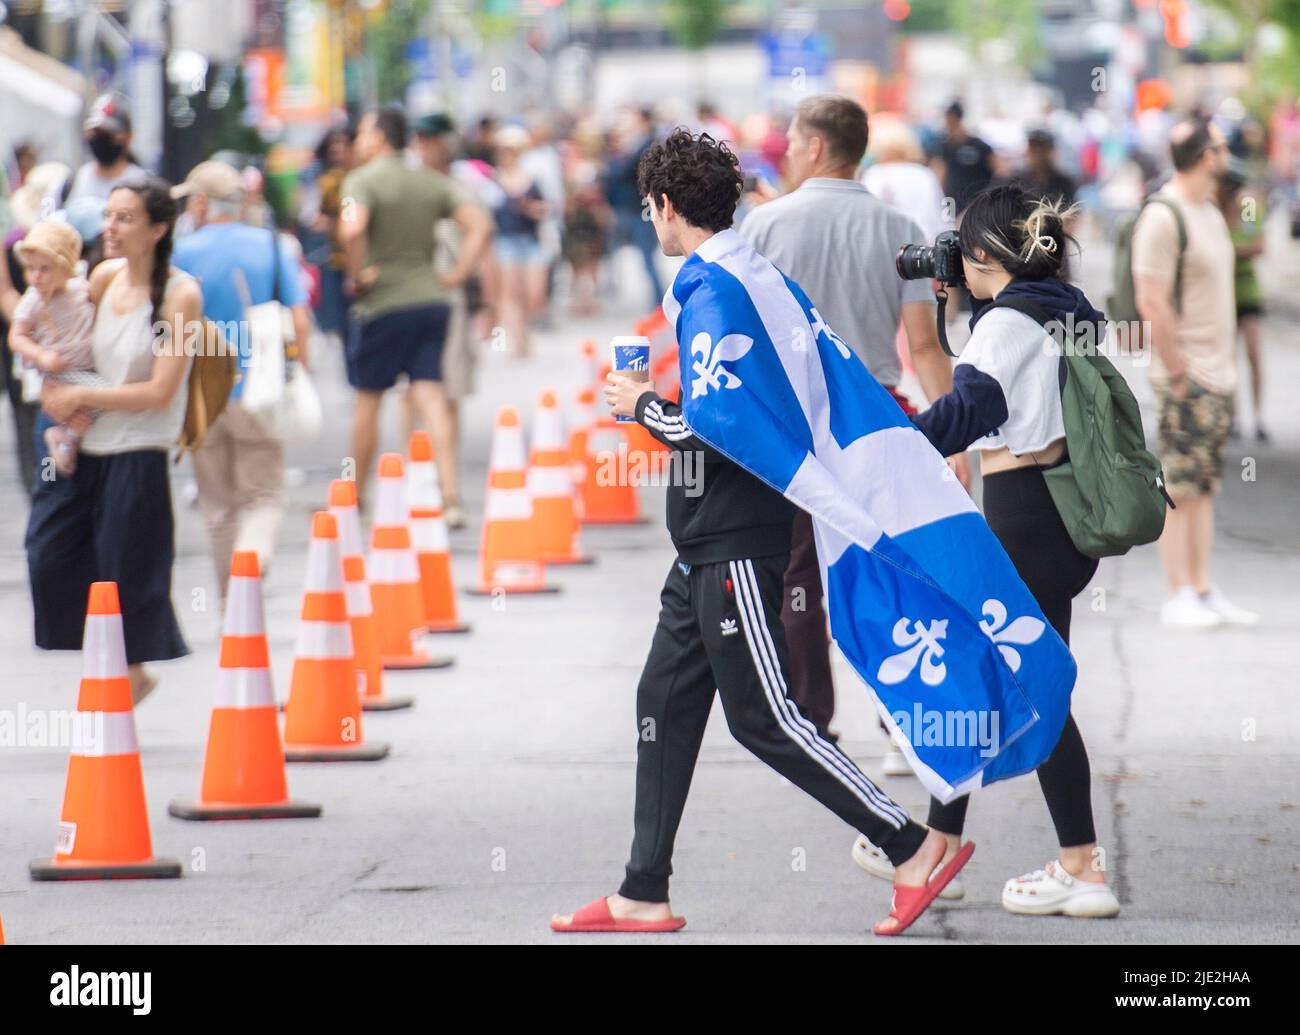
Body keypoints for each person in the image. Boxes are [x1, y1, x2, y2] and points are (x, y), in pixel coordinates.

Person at [552, 128, 968, 938]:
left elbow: (720, 424)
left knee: (766, 716)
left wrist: (637, 405)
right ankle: (644, 887)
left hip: (736, 531)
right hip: (709, 537)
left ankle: (911, 845)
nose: (651, 222)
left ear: (667, 208)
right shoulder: (743, 273)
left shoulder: (715, 289)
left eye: (650, 208)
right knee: (663, 700)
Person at [903, 184, 1120, 918]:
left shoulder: (1005, 325)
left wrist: (895, 447)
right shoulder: (1065, 311)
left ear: (986, 256)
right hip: (1065, 513)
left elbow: (972, 408)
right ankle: (938, 849)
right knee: (1003, 678)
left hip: (1023, 511)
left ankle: (1078, 866)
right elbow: (1014, 375)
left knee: (1016, 685)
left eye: (964, 248)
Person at [739, 95, 965, 766]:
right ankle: (904, 723)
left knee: (800, 574)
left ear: (812, 146)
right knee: (889, 564)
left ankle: (812, 722)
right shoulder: (901, 230)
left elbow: (743, 336)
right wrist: (951, 435)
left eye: (789, 138)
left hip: (794, 421)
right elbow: (925, 346)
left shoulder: (762, 227)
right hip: (879, 414)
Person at [26, 177, 199, 704]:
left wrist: (81, 397)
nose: (111, 228)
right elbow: (64, 332)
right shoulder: (101, 278)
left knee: (126, 569)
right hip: (83, 445)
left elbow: (161, 391)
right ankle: (118, 668)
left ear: (158, 228)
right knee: (48, 554)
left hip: (137, 449)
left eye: (125, 218)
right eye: (109, 217)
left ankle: (126, 673)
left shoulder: (180, 294)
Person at [1132, 118, 1257, 628]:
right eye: (1223, 148)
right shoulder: (1163, 216)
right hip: (1187, 374)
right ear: (1207, 156)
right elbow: (1151, 301)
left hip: (1218, 373)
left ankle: (1201, 586)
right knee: (1179, 484)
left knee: (1203, 484)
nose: (1228, 155)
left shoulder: (1207, 210)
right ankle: (1176, 592)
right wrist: (1179, 372)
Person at [339, 106, 492, 508]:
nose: (357, 142)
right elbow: (479, 226)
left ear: (377, 137)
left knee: (369, 397)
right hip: (431, 300)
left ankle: (356, 493)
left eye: (361, 133)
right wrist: (457, 275)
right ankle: (450, 494)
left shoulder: (360, 181)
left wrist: (357, 274)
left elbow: (351, 228)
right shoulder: (428, 182)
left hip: (382, 304)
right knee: (430, 392)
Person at [171, 160, 311, 596]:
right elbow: (300, 319)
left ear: (199, 202)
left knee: (217, 508)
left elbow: (168, 328)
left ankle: (232, 608)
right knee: (264, 496)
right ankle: (256, 557)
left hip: (201, 395)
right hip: (260, 390)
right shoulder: (270, 247)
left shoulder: (182, 253)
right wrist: (298, 375)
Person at [409, 112, 497, 529]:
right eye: (421, 139)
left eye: (433, 139)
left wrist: (483, 296)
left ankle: (444, 484)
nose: (427, 146)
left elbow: (485, 242)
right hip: (410, 298)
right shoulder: (404, 183)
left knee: (450, 390)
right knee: (413, 392)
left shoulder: (464, 187)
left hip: (451, 298)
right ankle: (421, 481)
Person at [8, 220, 101, 475]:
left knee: (92, 408)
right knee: (107, 395)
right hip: (59, 374)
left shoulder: (82, 290)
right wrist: (41, 355)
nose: (35, 276)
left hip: (85, 370)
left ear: (66, 266)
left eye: (45, 269)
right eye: (30, 269)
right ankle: (59, 439)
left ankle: (66, 438)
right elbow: (16, 337)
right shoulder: (33, 299)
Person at [1217, 163, 1268, 442]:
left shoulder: (1248, 207)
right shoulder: (1214, 210)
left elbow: (1257, 244)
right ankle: (1234, 417)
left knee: (1254, 355)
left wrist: (1228, 250)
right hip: (1223, 291)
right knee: (1229, 357)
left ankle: (1258, 416)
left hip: (1246, 289)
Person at [490, 124, 548, 358]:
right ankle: (518, 339)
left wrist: (532, 209)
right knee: (510, 293)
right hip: (505, 240)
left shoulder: (531, 179)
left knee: (534, 293)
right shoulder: (492, 180)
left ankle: (525, 330)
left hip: (530, 239)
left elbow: (545, 208)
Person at [604, 107, 664, 310]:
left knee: (647, 257)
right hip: (627, 208)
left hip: (638, 209)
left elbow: (623, 172)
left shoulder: (645, 145)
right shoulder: (632, 145)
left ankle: (659, 301)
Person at [861, 118, 953, 246]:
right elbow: (940, 213)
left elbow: (868, 215)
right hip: (928, 244)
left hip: (896, 246)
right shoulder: (924, 173)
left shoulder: (878, 173)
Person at [65, 94, 144, 206]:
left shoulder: (143, 186)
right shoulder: (73, 182)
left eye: (108, 134)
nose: (100, 138)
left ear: (128, 138)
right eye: (96, 132)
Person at [933, 101, 994, 215]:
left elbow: (997, 170)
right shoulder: (945, 146)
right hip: (951, 202)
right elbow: (940, 172)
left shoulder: (979, 146)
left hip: (975, 202)